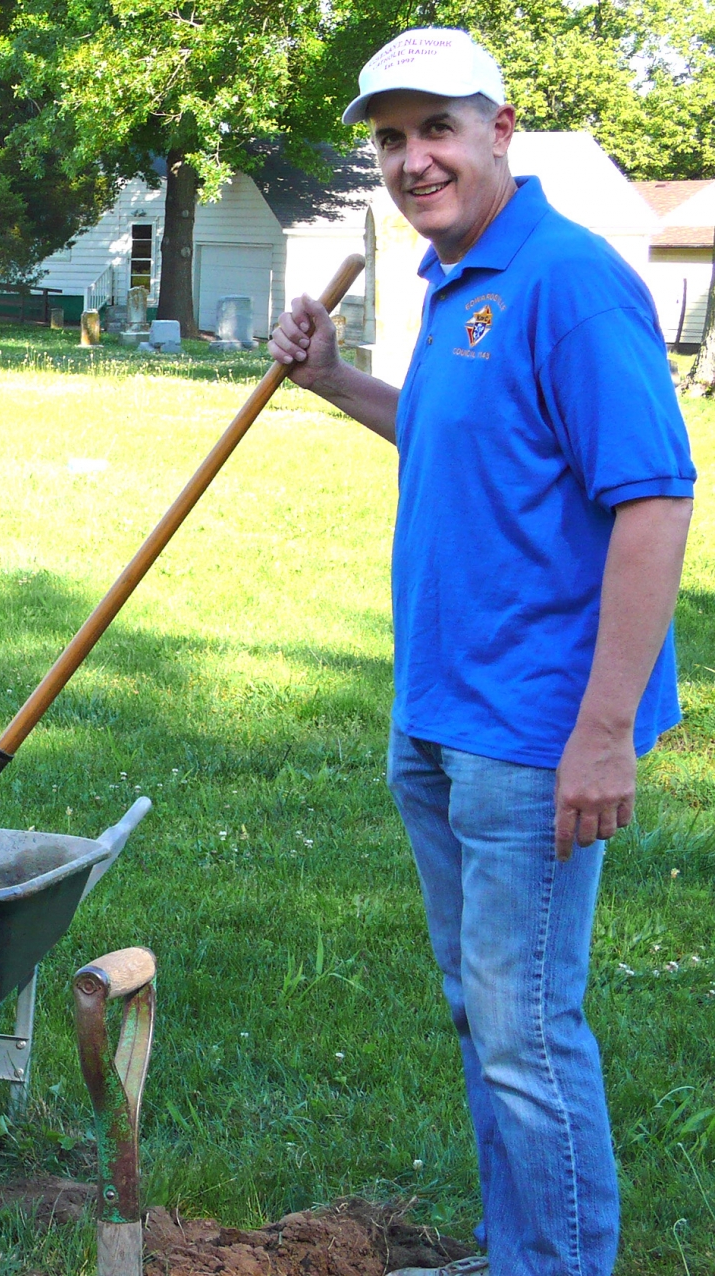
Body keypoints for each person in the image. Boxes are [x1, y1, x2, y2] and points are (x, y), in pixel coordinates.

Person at [270, 28, 694, 1276]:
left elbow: (653, 498)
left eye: (434, 129)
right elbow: (461, 446)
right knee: (483, 1012)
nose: (411, 161)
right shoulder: (454, 279)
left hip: (531, 731)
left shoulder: (566, 278)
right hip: (439, 712)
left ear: (499, 129)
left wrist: (603, 730)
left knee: (525, 1030)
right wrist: (339, 382)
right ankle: (516, 1250)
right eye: (390, 140)